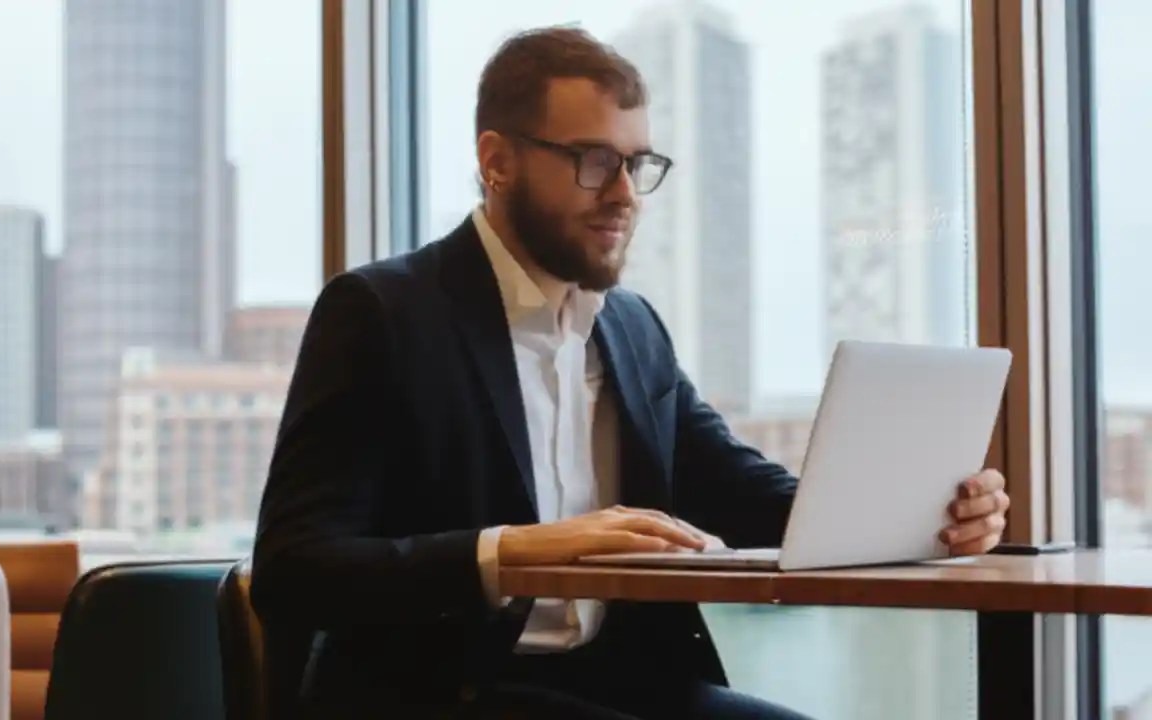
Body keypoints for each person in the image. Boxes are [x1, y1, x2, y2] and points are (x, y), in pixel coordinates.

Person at [251, 26, 1011, 720]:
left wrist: (929, 517)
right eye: (592, 161)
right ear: (497, 161)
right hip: (442, 693)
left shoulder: (630, 328)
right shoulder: (382, 313)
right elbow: (295, 570)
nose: (622, 194)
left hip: (624, 681)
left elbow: (744, 496)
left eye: (636, 163)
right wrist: (512, 551)